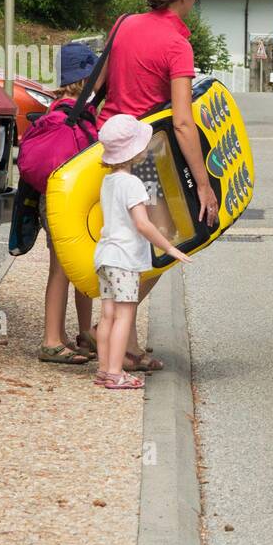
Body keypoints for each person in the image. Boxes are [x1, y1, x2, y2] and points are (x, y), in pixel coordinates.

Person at [92, 0, 217, 373]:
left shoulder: (124, 24)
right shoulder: (177, 45)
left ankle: (120, 342)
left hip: (105, 144)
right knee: (160, 246)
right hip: (146, 154)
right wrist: (203, 183)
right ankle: (111, 332)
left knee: (114, 239)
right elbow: (183, 121)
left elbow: (99, 85)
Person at [92, 115, 192, 389]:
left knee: (107, 316)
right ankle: (115, 372)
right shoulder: (133, 184)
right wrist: (170, 247)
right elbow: (142, 223)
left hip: (105, 256)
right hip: (124, 259)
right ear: (134, 151)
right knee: (125, 315)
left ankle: (103, 370)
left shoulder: (108, 181)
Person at [37, 42, 101, 365]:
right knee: (62, 269)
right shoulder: (72, 114)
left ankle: (82, 332)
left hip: (57, 201)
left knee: (79, 264)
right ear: (83, 79)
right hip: (65, 204)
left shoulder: (60, 109)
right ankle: (51, 339)